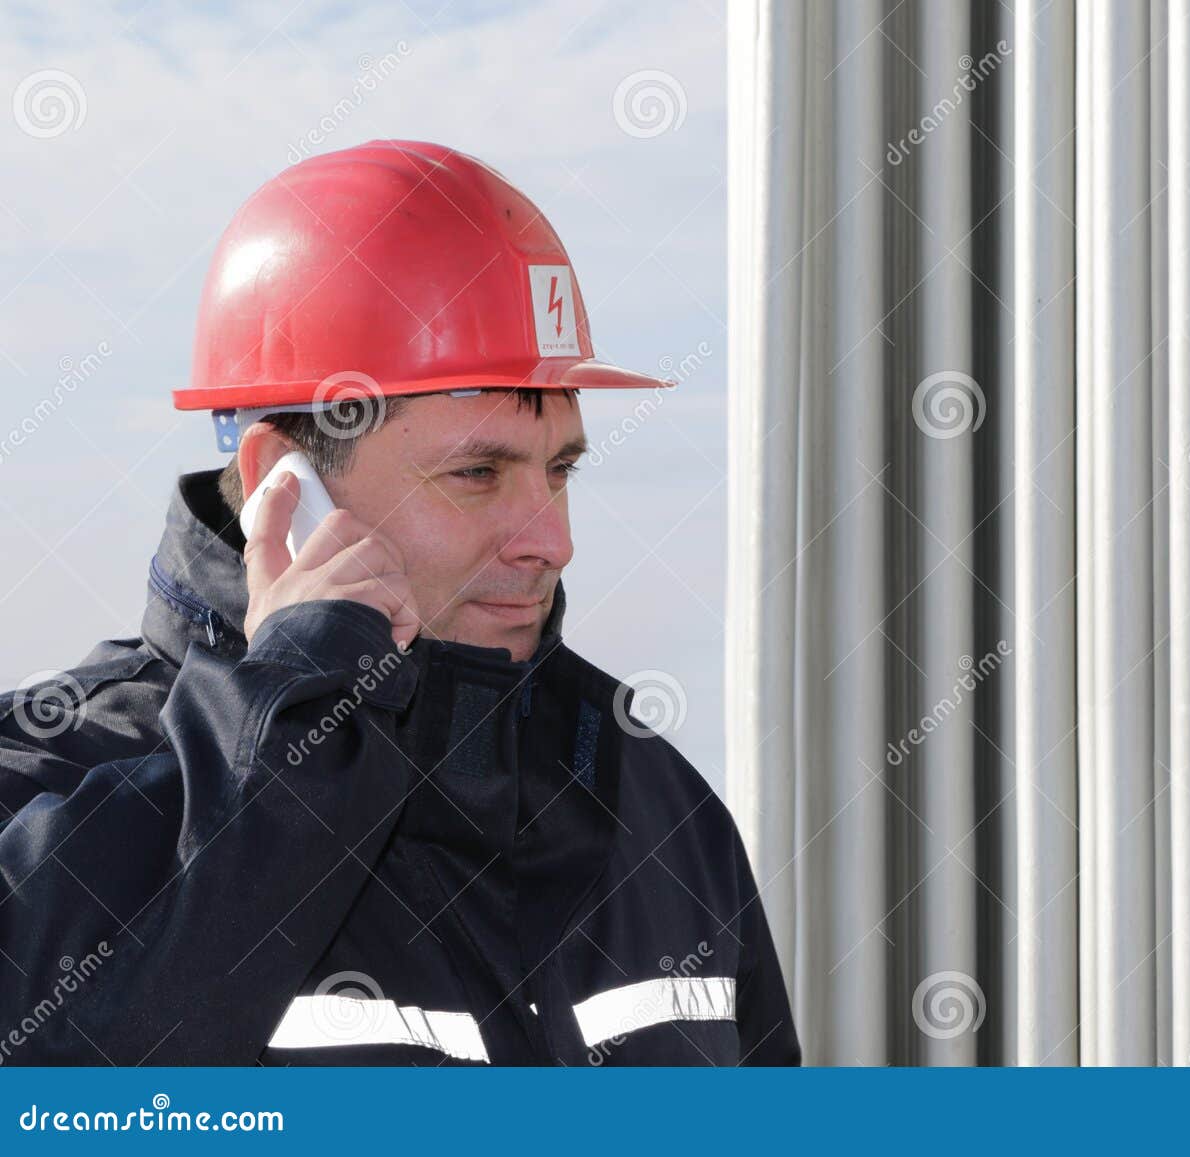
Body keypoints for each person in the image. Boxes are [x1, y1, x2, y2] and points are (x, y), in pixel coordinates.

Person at [0, 140, 799, 1066]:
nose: (553, 539)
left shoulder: (653, 798)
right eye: (477, 472)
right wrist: (289, 727)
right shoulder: (46, 788)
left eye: (559, 468)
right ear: (282, 490)